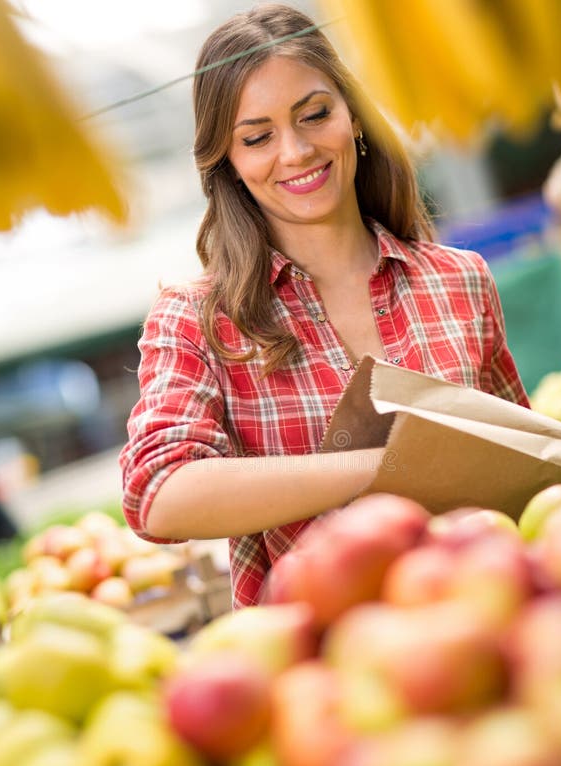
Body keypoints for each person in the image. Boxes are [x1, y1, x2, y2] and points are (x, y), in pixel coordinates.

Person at [120, 3, 530, 609]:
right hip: (319, 669)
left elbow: (523, 467)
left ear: (354, 117)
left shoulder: (459, 280)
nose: (296, 151)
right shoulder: (199, 318)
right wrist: (388, 466)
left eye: (315, 115)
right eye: (256, 137)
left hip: (478, 624)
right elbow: (157, 492)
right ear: (228, 163)